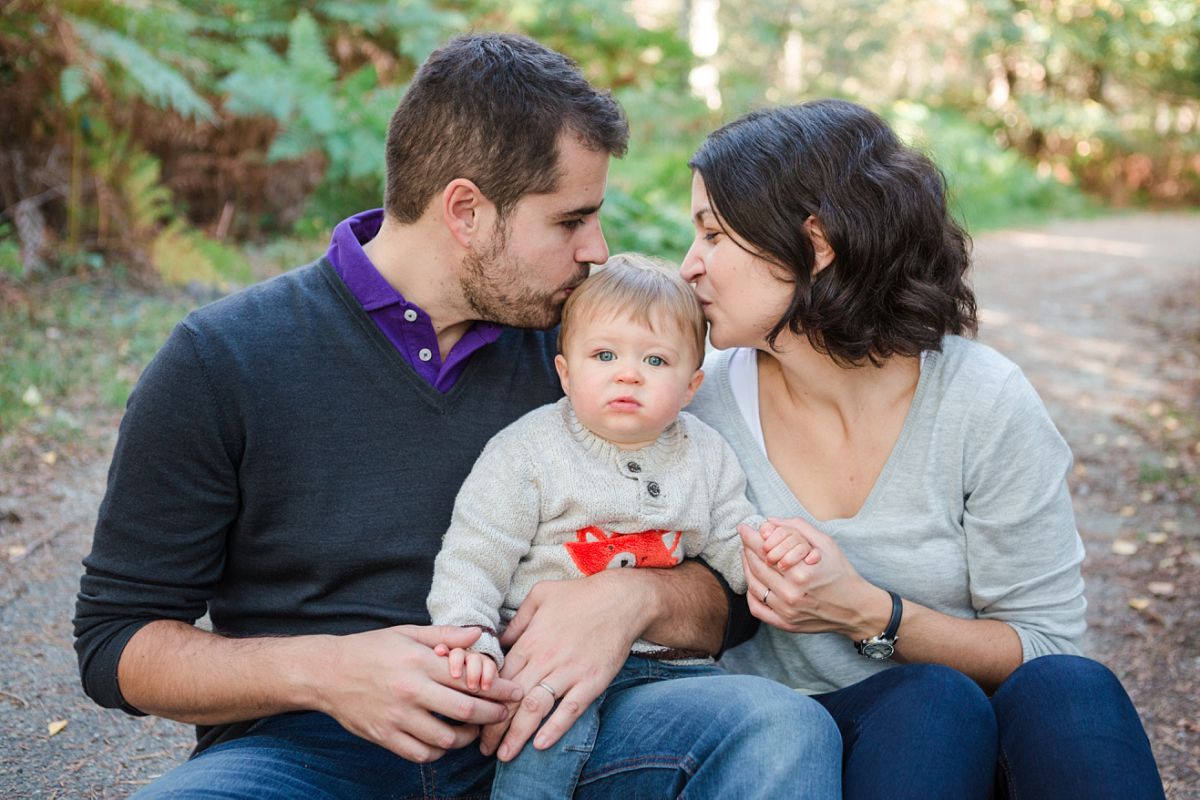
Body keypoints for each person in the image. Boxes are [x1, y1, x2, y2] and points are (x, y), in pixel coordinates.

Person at [72, 34, 840, 798]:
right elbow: (116, 644)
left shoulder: (592, 354)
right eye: (570, 221)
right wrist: (324, 671)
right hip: (308, 754)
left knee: (776, 730)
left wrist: (637, 599)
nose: (597, 250)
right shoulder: (223, 359)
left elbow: (732, 597)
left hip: (572, 726)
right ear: (466, 211)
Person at [681, 99, 1166, 799]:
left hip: (966, 750)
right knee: (932, 700)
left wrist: (869, 613)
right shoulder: (696, 404)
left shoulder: (982, 401)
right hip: (795, 750)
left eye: (713, 234)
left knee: (1070, 688)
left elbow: (1045, 644)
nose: (689, 265)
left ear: (816, 244)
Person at [426, 255, 834, 799]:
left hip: (674, 668)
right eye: (604, 355)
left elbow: (732, 536)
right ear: (565, 372)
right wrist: (471, 636)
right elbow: (475, 554)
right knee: (541, 737)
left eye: (656, 360)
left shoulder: (705, 453)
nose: (628, 373)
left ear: (691, 386)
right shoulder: (528, 451)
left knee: (755, 720)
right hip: (550, 664)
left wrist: (774, 553)